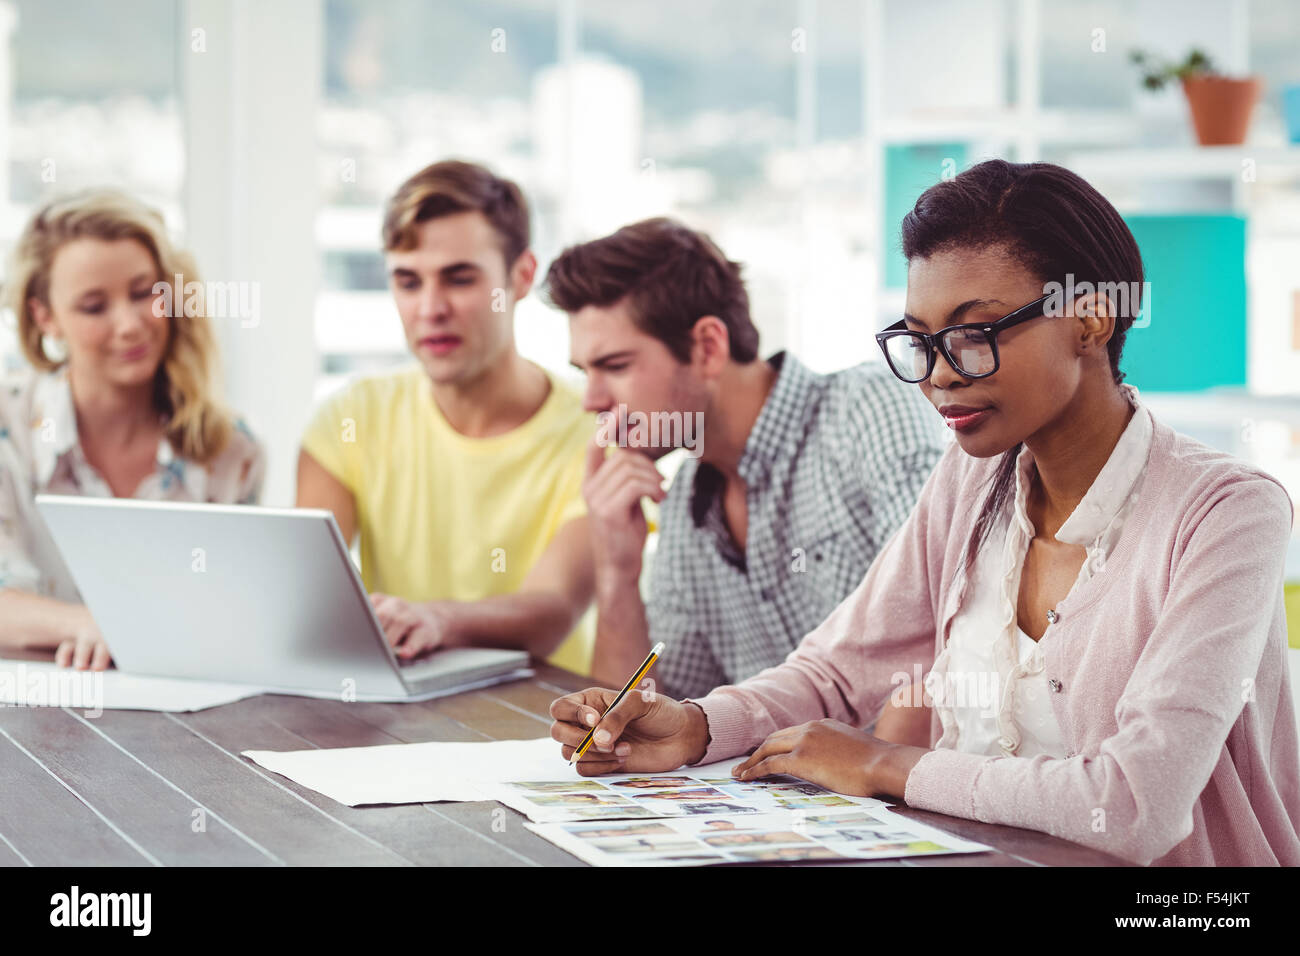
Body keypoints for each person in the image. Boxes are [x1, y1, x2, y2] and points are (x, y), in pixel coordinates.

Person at [548, 159, 1300, 866]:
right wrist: (697, 725)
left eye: (973, 334)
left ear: (1090, 321)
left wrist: (887, 765)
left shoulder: (1229, 513)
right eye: (919, 340)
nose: (938, 375)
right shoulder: (974, 480)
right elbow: (839, 670)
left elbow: (1139, 803)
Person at [545, 217, 945, 695]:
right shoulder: (683, 512)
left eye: (614, 366)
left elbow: (936, 634)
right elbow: (635, 725)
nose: (591, 400)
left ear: (708, 347)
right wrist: (616, 572)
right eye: (583, 371)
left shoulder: (867, 413)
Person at [297, 160, 596, 672]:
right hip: (391, 719)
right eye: (408, 282)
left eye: (459, 279)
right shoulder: (348, 418)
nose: (431, 309)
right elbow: (299, 590)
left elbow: (555, 609)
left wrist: (438, 619)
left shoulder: (595, 429)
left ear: (522, 277)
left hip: (544, 725)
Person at [0, 190, 265, 670]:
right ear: (45, 317)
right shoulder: (7, 430)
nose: (130, 324)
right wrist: (84, 623)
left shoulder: (230, 449)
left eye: (144, 293)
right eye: (94, 306)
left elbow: (230, 616)